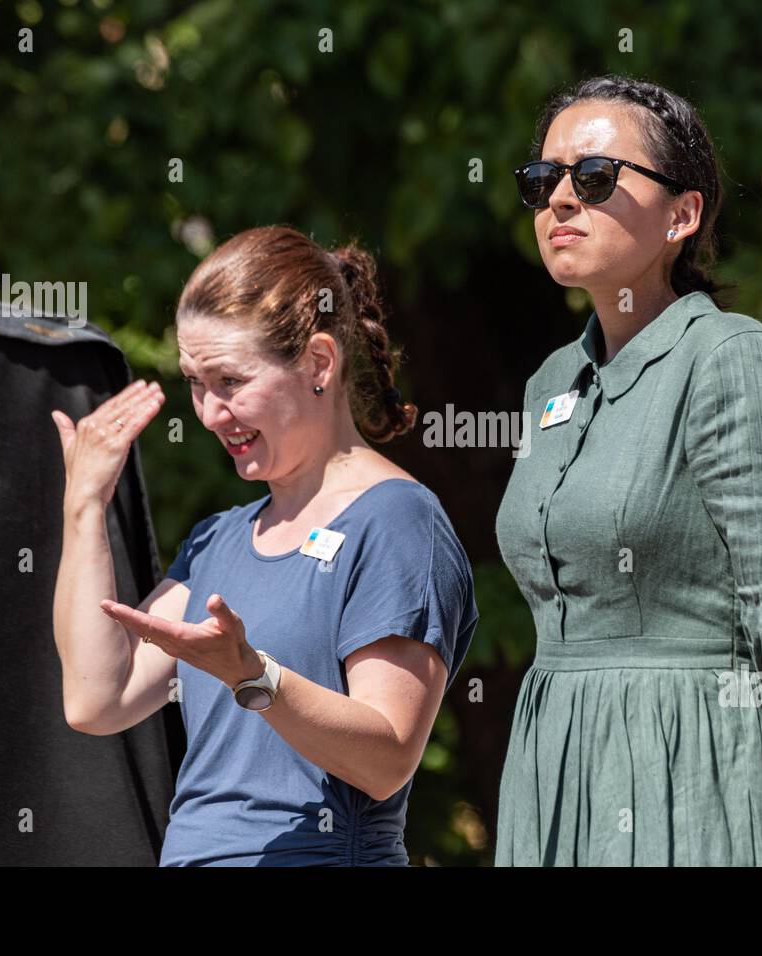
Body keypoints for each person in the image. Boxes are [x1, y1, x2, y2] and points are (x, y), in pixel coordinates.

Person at [493, 74, 762, 866]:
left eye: (595, 177)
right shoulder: (548, 387)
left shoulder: (734, 364)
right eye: (542, 182)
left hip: (705, 774)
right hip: (554, 771)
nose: (560, 201)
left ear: (684, 214)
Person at [50, 225, 478, 866]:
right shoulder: (219, 538)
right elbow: (95, 698)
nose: (209, 412)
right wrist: (83, 507)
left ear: (319, 365)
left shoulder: (397, 521)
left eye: (230, 381)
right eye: (196, 383)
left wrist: (254, 678)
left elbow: (386, 757)